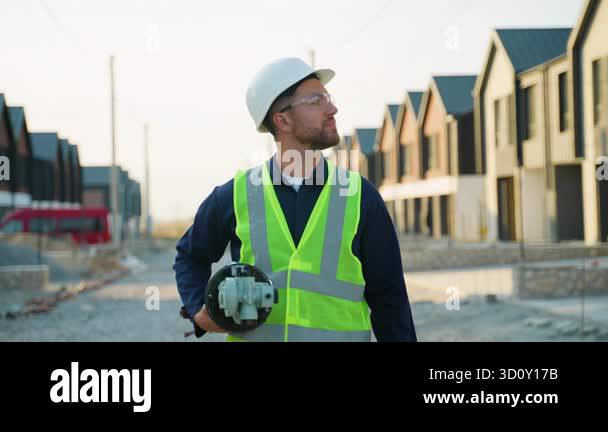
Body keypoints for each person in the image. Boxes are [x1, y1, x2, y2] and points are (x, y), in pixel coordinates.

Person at [174, 57, 417, 342]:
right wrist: (199, 310)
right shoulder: (234, 195)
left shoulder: (360, 197)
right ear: (282, 119)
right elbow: (190, 256)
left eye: (328, 98)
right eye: (316, 100)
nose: (332, 108)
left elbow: (390, 301)